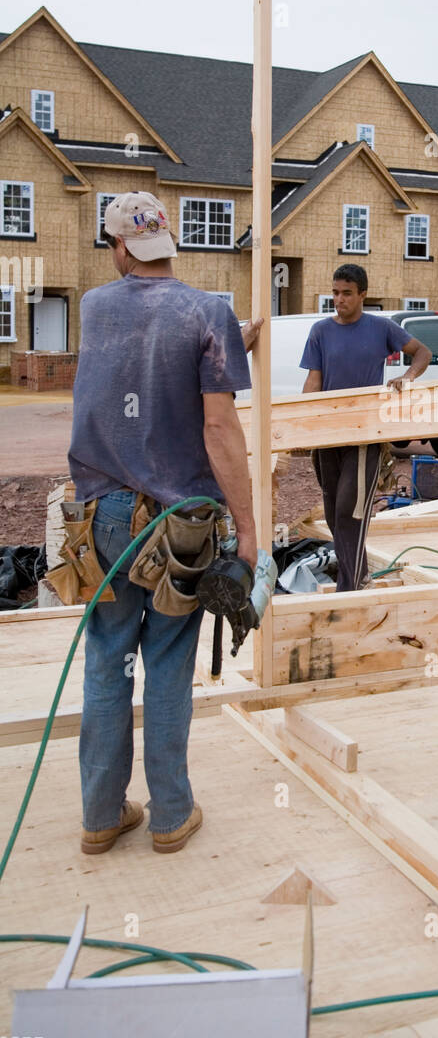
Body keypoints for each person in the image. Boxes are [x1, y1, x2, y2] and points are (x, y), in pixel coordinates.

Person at [67, 191, 262, 856]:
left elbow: (132, 370)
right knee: (169, 662)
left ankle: (100, 815)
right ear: (166, 242)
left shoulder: (94, 307)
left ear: (121, 247)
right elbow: (218, 427)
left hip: (101, 518)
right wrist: (249, 535)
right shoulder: (209, 313)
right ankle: (170, 816)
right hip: (178, 521)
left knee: (107, 660)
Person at [300, 265, 431, 591]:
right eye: (335, 292)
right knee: (333, 513)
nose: (339, 299)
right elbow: (313, 381)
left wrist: (407, 377)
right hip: (328, 435)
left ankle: (351, 585)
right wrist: (301, 423)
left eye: (346, 293)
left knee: (350, 510)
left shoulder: (381, 328)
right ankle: (357, 577)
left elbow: (423, 353)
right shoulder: (320, 331)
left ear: (362, 295)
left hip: (365, 434)